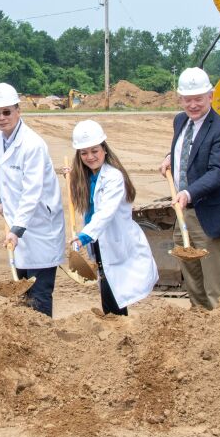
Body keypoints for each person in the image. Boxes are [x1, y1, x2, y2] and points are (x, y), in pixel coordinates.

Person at [162, 66, 220, 309]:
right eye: (187, 99)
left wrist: (188, 192)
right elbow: (188, 150)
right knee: (193, 280)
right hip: (183, 214)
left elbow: (218, 172)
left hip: (209, 215)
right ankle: (199, 321)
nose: (193, 105)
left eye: (198, 99)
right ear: (180, 99)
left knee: (215, 286)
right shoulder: (180, 121)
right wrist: (170, 157)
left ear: (211, 96)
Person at [0, 82, 65, 316]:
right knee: (22, 291)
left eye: (7, 112)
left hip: (40, 227)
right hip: (18, 225)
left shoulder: (33, 145)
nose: (2, 118)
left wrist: (17, 229)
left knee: (39, 294)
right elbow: (3, 173)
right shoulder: (0, 138)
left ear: (18, 110)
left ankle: (45, 336)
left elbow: (33, 191)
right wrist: (1, 199)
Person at [70, 119, 158, 316]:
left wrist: (84, 236)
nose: (90, 157)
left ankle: (120, 328)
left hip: (114, 241)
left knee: (115, 294)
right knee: (107, 290)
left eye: (94, 151)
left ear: (104, 149)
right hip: (99, 242)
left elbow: (105, 212)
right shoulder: (86, 177)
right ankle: (115, 326)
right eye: (84, 153)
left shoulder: (113, 177)